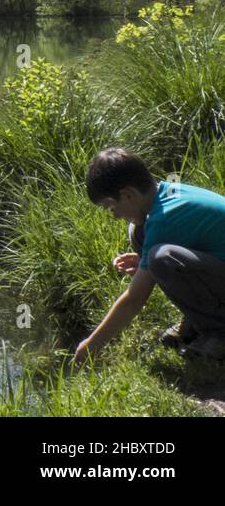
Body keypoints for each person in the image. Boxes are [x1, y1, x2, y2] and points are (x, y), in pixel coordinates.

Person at [74, 147, 225, 364]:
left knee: (161, 257)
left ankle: (219, 332)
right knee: (139, 233)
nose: (114, 215)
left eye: (111, 207)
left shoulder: (164, 218)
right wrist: (146, 264)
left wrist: (92, 345)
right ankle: (196, 320)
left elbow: (135, 299)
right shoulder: (166, 193)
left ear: (127, 194)